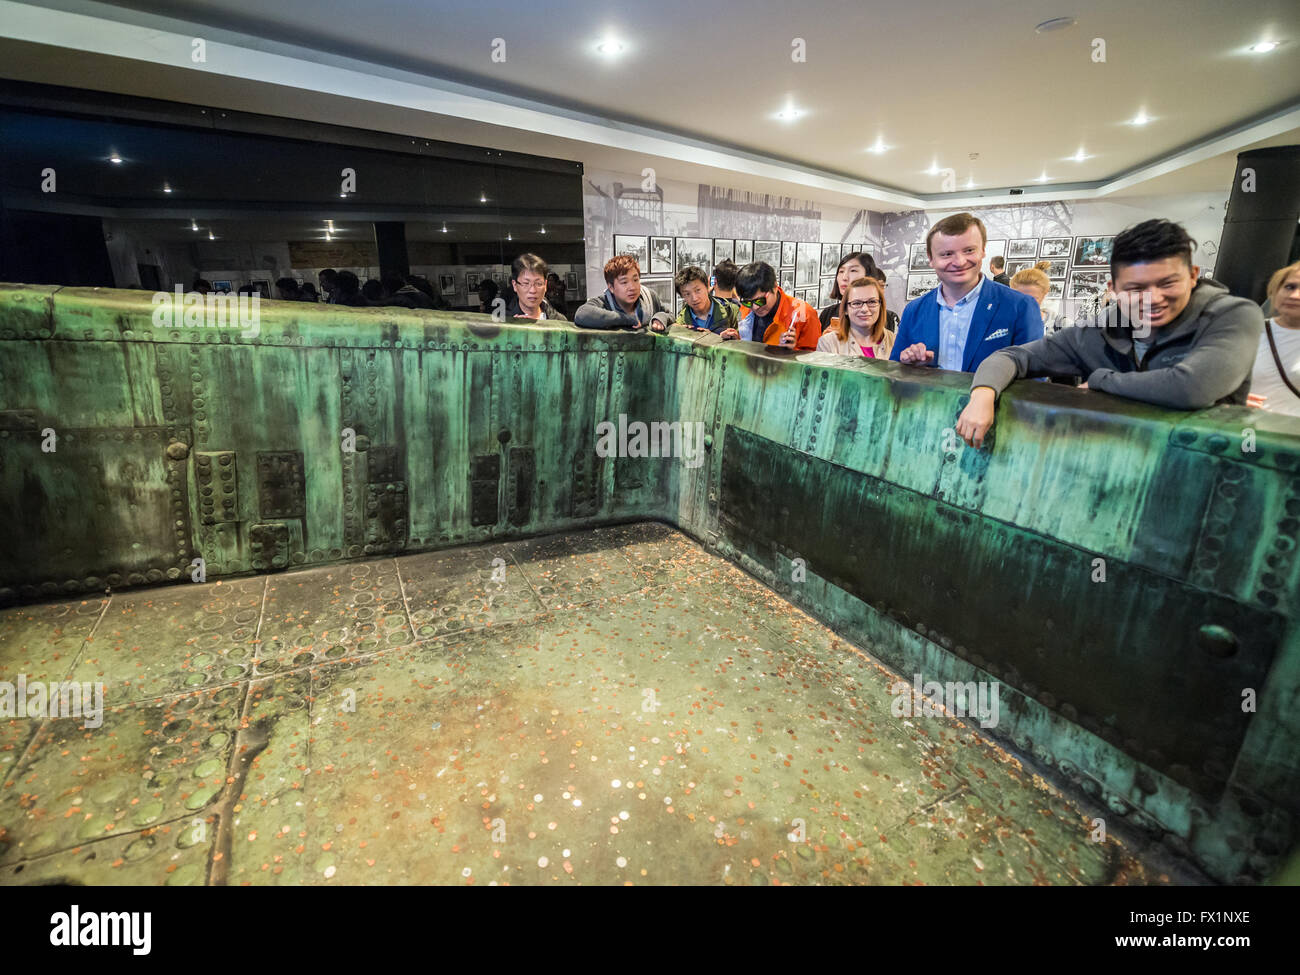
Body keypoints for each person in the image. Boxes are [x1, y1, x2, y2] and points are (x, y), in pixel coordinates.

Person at [956, 219, 1265, 448]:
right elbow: (1012, 356)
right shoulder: (1098, 330)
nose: (1153, 298)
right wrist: (983, 393)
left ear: (1193, 275)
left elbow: (1191, 387)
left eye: (1168, 283)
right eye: (1136, 288)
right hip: (1114, 460)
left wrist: (1102, 381)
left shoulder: (1231, 315)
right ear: (1113, 288)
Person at [890, 212, 1042, 371]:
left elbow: (1034, 378)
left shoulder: (1020, 306)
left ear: (983, 250)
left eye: (969, 250)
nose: (959, 262)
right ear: (931, 258)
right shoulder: (914, 311)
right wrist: (909, 366)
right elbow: (894, 371)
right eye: (947, 254)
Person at [1249, 259, 1300, 417]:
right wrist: (1230, 401)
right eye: (1289, 287)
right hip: (1245, 432)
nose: (1294, 295)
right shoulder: (1248, 331)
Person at [735, 261, 821, 350]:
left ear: (775, 287)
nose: (755, 307)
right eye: (748, 302)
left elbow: (814, 359)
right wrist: (733, 342)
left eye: (760, 301)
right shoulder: (745, 309)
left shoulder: (803, 314)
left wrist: (793, 352)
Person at [574, 255, 670, 332]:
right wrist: (625, 319)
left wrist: (660, 318)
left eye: (635, 280)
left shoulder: (650, 297)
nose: (632, 287)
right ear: (611, 287)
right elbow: (582, 314)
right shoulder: (604, 302)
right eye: (624, 282)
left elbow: (670, 315)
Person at [816, 276, 894, 359]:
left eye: (872, 302)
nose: (864, 309)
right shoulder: (828, 343)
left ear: (880, 306)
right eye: (856, 303)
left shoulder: (895, 341)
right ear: (845, 309)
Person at [674, 265, 740, 338]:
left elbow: (745, 344)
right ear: (682, 296)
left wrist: (735, 339)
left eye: (698, 290)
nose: (694, 298)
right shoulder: (681, 322)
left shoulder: (732, 311)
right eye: (687, 294)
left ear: (707, 287)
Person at [819, 252, 877, 332]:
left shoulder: (885, 317)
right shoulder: (828, 313)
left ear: (868, 276)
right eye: (841, 271)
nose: (844, 277)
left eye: (853, 270)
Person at [1010, 261, 1068, 334]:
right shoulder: (1003, 324)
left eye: (1033, 299)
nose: (1026, 304)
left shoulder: (1061, 325)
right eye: (1020, 299)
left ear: (1044, 295)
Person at [505, 253, 568, 321]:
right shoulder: (504, 322)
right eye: (526, 283)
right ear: (515, 285)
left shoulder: (560, 321)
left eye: (538, 284)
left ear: (545, 285)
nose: (533, 290)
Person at [869, 268, 899, 333]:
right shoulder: (853, 315)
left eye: (882, 286)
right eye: (875, 286)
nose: (878, 290)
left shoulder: (891, 317)